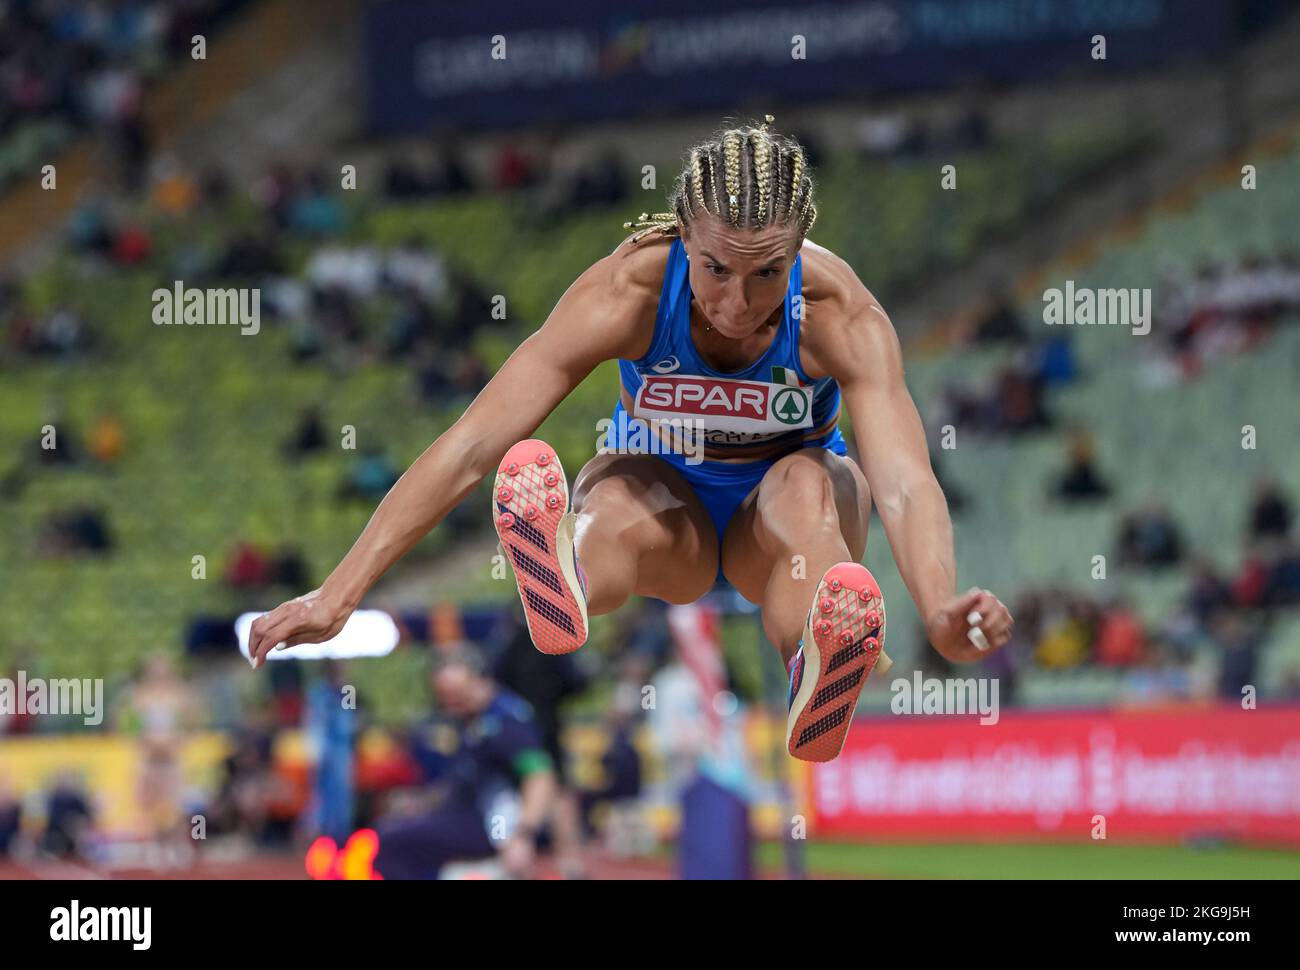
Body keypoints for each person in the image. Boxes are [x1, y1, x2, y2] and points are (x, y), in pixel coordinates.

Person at [249, 115, 1013, 764]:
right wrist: (340, 590)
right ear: (684, 236)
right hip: (665, 504)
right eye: (715, 269)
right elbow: (474, 444)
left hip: (779, 517)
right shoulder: (631, 291)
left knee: (811, 498)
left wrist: (940, 606)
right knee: (612, 498)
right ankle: (568, 576)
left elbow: (906, 482)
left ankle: (815, 663)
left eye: (766, 274)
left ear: (798, 252)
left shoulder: (839, 313)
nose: (737, 302)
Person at [373, 644, 556, 879]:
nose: (450, 705)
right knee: (395, 830)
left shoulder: (508, 721)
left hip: (495, 823)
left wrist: (523, 835)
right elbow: (463, 780)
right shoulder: (467, 720)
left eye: (458, 696)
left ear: (482, 681)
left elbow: (540, 777)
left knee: (393, 840)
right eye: (444, 698)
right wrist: (421, 802)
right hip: (465, 813)